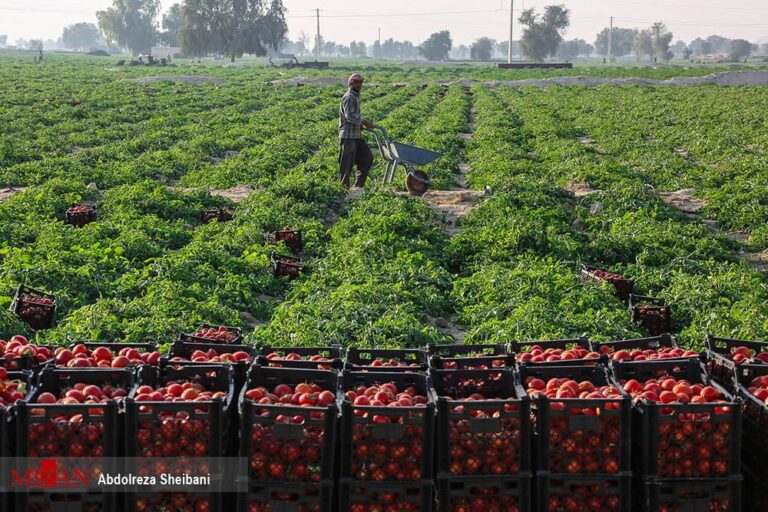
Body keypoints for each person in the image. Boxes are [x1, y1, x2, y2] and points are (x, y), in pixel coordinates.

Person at [338, 73, 375, 189]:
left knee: (367, 157)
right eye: (356, 82)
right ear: (351, 83)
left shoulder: (355, 96)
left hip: (356, 135)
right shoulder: (349, 97)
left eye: (361, 82)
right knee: (347, 163)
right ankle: (343, 189)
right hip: (349, 136)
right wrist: (363, 122)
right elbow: (349, 116)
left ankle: (358, 185)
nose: (359, 84)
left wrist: (360, 126)